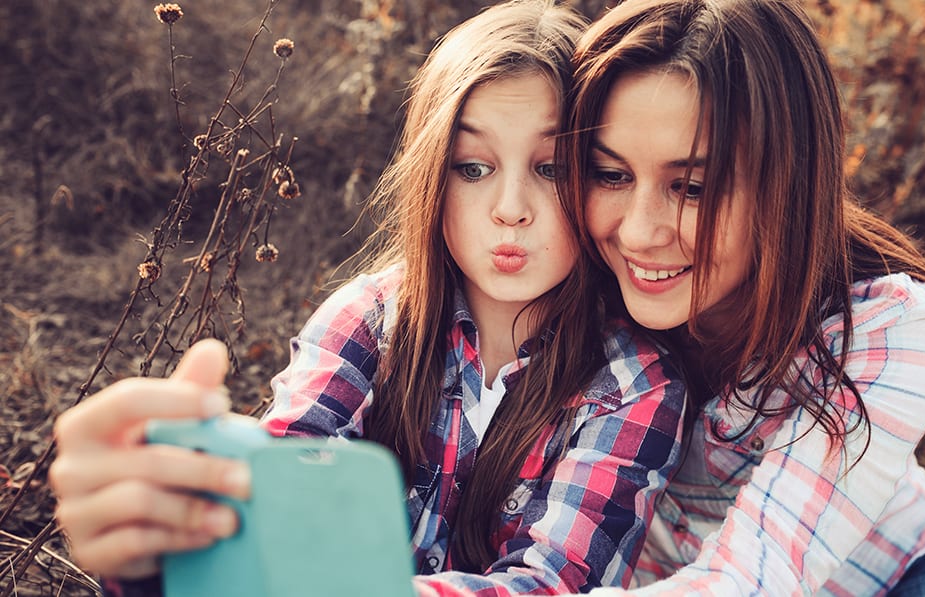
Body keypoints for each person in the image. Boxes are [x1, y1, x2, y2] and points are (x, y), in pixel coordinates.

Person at [48, 1, 687, 595]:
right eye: (473, 167)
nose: (510, 210)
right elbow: (281, 501)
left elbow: (546, 584)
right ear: (432, 174)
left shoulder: (633, 384)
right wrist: (171, 537)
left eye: (549, 168)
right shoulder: (369, 318)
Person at [558, 0, 925, 595]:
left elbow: (760, 572)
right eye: (611, 175)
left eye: (691, 187)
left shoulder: (888, 324)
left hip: (903, 579)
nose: (639, 232)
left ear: (785, 184)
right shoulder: (566, 282)